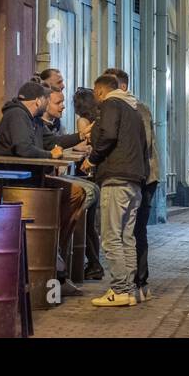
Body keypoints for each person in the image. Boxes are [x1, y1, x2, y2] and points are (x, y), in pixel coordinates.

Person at [0, 81, 86, 297]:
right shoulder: (17, 116)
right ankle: (53, 252)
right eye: (49, 99)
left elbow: (52, 140)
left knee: (77, 193)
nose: (54, 103)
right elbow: (23, 148)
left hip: (33, 181)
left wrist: (80, 136)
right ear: (39, 101)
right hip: (16, 184)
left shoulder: (33, 120)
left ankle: (55, 248)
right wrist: (49, 156)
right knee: (74, 193)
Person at [85, 73, 148, 306]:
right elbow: (143, 147)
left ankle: (119, 290)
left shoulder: (112, 104)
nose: (95, 99)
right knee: (126, 238)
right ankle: (129, 290)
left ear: (100, 91)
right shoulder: (134, 110)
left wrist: (92, 159)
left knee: (111, 238)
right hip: (134, 180)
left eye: (95, 94)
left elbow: (108, 135)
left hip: (116, 178)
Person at [104, 66, 160, 302]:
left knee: (134, 232)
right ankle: (132, 287)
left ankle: (138, 284)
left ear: (123, 87)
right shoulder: (122, 107)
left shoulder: (137, 109)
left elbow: (142, 144)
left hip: (143, 176)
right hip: (136, 174)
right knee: (129, 233)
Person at [39, 86, 99, 282]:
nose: (63, 107)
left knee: (88, 194)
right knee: (85, 193)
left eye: (64, 102)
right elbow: (35, 148)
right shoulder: (33, 123)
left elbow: (55, 144)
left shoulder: (49, 125)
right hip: (38, 182)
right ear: (42, 102)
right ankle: (62, 255)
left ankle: (65, 254)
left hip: (60, 174)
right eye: (58, 103)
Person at [72, 88, 105, 281]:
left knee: (85, 222)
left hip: (85, 171)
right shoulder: (99, 119)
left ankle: (94, 263)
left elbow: (85, 145)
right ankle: (95, 263)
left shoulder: (83, 121)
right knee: (91, 223)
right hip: (96, 172)